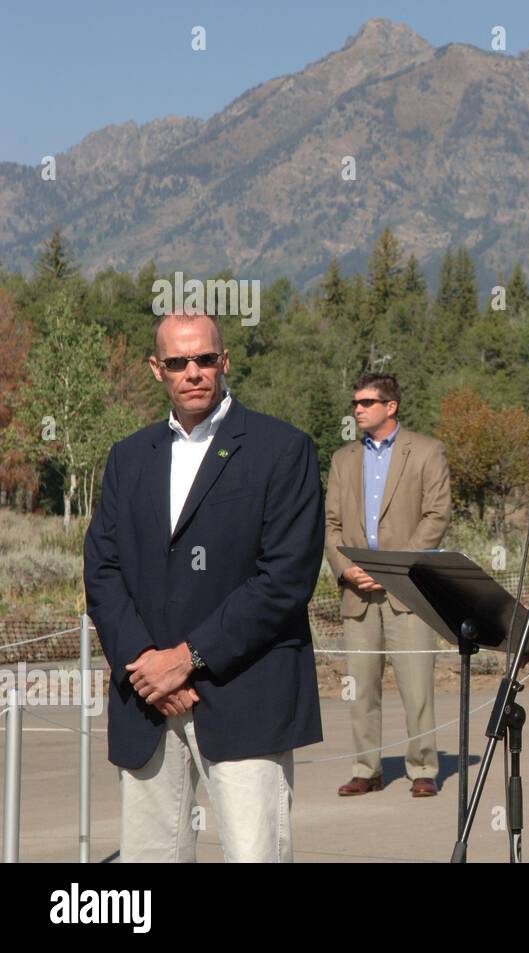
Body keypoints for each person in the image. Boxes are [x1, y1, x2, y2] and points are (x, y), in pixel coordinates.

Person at [84, 311, 324, 863]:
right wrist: (147, 662)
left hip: (246, 696)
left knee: (254, 855)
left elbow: (284, 580)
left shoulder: (282, 450)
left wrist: (187, 658)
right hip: (147, 700)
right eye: (177, 362)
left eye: (204, 359)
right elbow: (102, 569)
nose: (193, 372)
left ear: (225, 362)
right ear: (156, 369)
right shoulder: (127, 458)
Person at [325, 373, 452, 797]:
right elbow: (333, 525)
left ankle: (422, 770)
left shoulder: (428, 451)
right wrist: (345, 568)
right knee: (361, 689)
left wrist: (393, 567)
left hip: (409, 591)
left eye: (366, 402)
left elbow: (437, 515)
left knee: (417, 687)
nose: (357, 409)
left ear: (390, 406)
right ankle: (368, 768)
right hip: (357, 593)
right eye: (356, 402)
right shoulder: (343, 459)